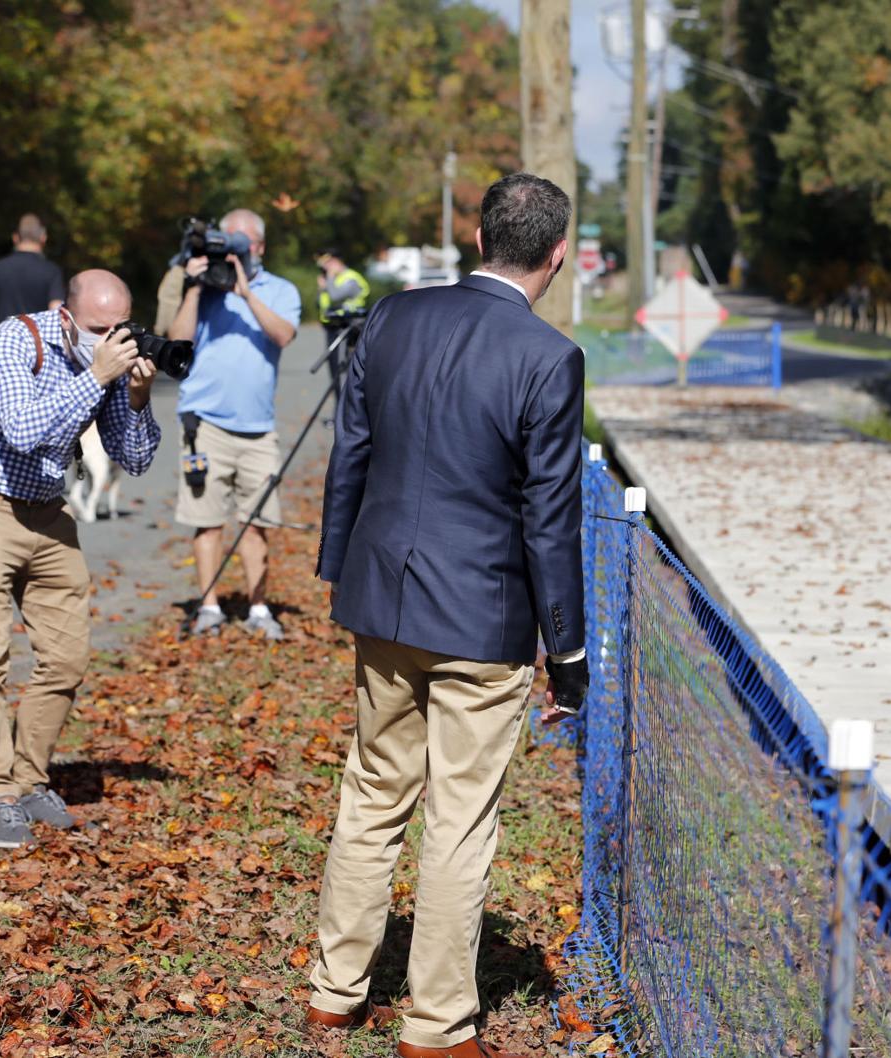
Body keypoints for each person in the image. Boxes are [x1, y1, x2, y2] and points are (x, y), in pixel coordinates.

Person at [306, 173, 590, 1058]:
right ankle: (436, 1026)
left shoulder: (391, 318)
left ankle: (334, 992)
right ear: (557, 256)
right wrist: (567, 650)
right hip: (481, 622)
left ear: (478, 239)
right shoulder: (549, 358)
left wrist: (336, 571)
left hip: (382, 603)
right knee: (460, 820)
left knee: (371, 794)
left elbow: (351, 451)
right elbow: (550, 520)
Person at [0, 270, 162, 849]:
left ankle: (29, 778)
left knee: (67, 657)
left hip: (46, 511)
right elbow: (22, 430)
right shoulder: (16, 341)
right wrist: (97, 375)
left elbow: (134, 460)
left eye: (120, 328)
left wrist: (135, 397)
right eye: (98, 329)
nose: (111, 338)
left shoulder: (108, 362)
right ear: (66, 315)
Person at [168, 208, 301, 640]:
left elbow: (283, 335)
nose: (234, 251)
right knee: (206, 521)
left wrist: (246, 294)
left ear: (259, 246)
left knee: (257, 522)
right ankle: (209, 607)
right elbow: (177, 341)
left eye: (242, 243)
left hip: (258, 428)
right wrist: (192, 287)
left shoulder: (280, 290)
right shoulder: (204, 291)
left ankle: (258, 608)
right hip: (204, 422)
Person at [0, 214, 66, 329]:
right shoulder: (51, 271)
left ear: (15, 238)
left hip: (4, 343)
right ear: (43, 238)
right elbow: (56, 313)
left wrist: (3, 328)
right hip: (35, 344)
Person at [315, 249, 370, 388]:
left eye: (328, 263)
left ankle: (346, 407)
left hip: (348, 328)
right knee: (334, 372)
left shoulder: (351, 278)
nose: (326, 268)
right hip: (331, 327)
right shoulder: (333, 279)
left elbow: (335, 296)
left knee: (344, 373)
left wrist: (329, 279)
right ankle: (339, 405)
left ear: (336, 261)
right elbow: (320, 302)